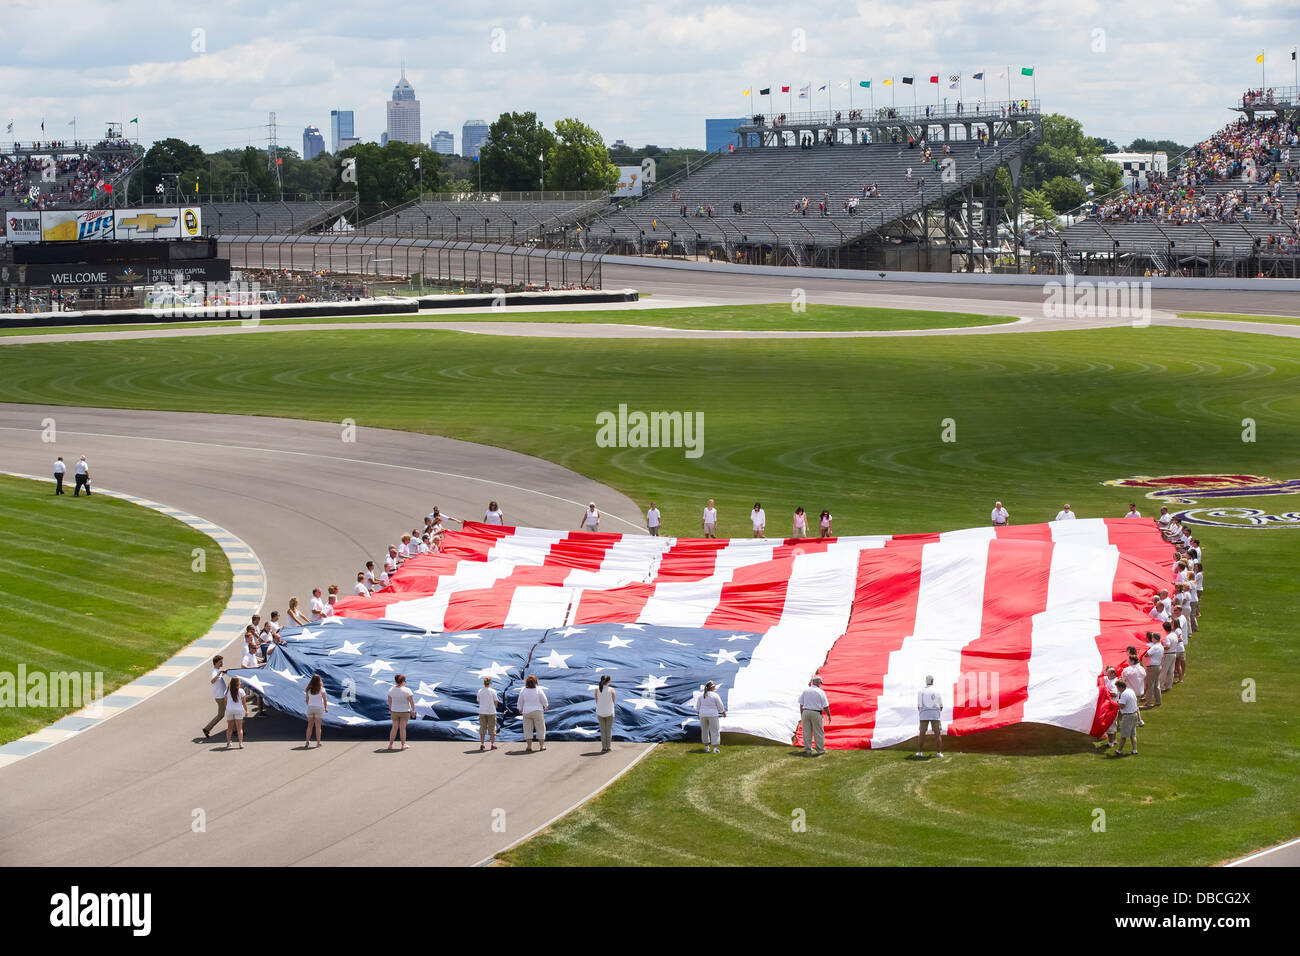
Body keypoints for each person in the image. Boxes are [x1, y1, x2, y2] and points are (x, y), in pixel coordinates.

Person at [798, 676, 831, 756]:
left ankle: (808, 749)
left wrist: (802, 714)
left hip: (806, 712)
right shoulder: (820, 692)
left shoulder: (805, 690)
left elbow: (801, 704)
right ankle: (820, 750)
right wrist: (829, 715)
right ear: (818, 683)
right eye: (820, 683)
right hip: (816, 713)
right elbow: (825, 706)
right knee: (818, 731)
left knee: (806, 732)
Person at [518, 675, 548, 752]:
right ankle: (542, 746)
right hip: (537, 710)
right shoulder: (538, 690)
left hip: (526, 711)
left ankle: (529, 746)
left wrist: (520, 708)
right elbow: (544, 699)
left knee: (527, 729)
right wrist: (545, 706)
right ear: (535, 682)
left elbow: (520, 701)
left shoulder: (523, 690)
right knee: (540, 728)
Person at [916, 675, 943, 757]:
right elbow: (941, 706)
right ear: (932, 681)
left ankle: (920, 752)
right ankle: (939, 753)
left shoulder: (921, 691)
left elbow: (919, 706)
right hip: (935, 714)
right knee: (937, 733)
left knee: (922, 733)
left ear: (926, 681)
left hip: (924, 714)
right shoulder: (937, 690)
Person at [202, 654, 229, 738]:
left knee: (229, 711)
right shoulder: (215, 672)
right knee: (222, 714)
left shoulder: (216, 670)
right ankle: (207, 728)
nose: (222, 663)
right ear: (216, 663)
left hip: (222, 696)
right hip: (220, 697)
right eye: (220, 662)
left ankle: (234, 729)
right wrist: (219, 674)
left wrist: (223, 673)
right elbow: (213, 680)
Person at [696, 680, 725, 753]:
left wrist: (698, 714)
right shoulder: (715, 695)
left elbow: (698, 706)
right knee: (714, 730)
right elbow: (720, 705)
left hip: (703, 714)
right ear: (712, 687)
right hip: (712, 714)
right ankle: (715, 748)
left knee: (704, 730)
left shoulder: (701, 695)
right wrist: (723, 712)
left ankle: (706, 746)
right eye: (714, 686)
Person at [387, 674, 414, 751]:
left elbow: (389, 702)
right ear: (402, 681)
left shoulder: (391, 690)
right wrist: (413, 710)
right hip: (404, 711)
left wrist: (390, 710)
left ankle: (390, 744)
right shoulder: (407, 690)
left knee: (394, 728)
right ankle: (403, 744)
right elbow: (411, 702)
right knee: (402, 728)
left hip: (394, 711)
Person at [1114, 679, 1140, 755]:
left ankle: (1119, 751)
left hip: (1128, 716)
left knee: (1123, 735)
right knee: (1133, 734)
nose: (1117, 690)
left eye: (1118, 688)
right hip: (1134, 714)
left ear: (1120, 687)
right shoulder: (1130, 691)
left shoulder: (1124, 694)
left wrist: (1118, 703)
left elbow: (1122, 706)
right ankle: (1135, 750)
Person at [224, 675, 250, 749]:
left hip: (229, 710)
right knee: (239, 728)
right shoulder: (241, 691)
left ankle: (228, 743)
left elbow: (225, 701)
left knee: (229, 728)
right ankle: (240, 743)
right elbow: (244, 702)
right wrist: (246, 711)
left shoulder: (227, 691)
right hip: (238, 709)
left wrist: (227, 708)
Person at [477, 676, 499, 751]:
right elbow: (496, 701)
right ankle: (492, 744)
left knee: (482, 727)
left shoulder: (480, 691)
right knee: (492, 728)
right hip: (491, 711)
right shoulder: (493, 691)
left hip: (482, 711)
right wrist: (495, 707)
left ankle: (482, 744)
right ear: (490, 683)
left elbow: (478, 701)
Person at [595, 674, 616, 753]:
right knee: (608, 730)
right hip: (609, 712)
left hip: (600, 712)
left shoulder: (597, 689)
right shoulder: (611, 690)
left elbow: (597, 701)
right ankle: (609, 746)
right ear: (608, 681)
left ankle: (604, 747)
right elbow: (613, 702)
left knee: (603, 730)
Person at [304, 674, 327, 747]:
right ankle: (318, 743)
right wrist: (325, 708)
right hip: (319, 708)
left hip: (310, 708)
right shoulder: (322, 689)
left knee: (309, 726)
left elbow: (307, 700)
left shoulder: (308, 690)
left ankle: (307, 742)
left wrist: (310, 705)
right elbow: (325, 700)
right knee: (318, 727)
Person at [1142, 632, 1163, 709]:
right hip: (1158, 666)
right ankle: (1158, 701)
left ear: (1155, 638)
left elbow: (1147, 654)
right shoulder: (1160, 646)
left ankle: (1148, 703)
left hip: (1152, 667)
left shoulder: (1155, 647)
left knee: (1150, 685)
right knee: (1156, 685)